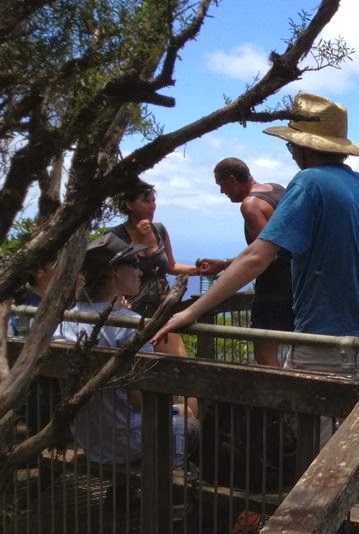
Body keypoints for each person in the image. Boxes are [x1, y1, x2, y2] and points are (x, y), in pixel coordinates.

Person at [157, 93, 359, 380]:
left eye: (290, 146)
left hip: (327, 342)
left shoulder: (309, 182)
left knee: (319, 422)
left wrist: (191, 312)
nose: (292, 153)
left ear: (303, 147)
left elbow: (257, 257)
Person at [54, 234, 194, 467]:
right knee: (186, 418)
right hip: (128, 441)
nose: (140, 272)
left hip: (87, 438)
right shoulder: (130, 326)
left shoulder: (66, 321)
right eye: (135, 264)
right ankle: (174, 480)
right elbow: (141, 400)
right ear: (114, 271)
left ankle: (125, 492)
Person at [197, 157, 294, 367]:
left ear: (231, 180)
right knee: (300, 348)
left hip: (275, 289)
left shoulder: (250, 205)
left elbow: (268, 255)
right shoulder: (277, 189)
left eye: (221, 185)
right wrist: (225, 264)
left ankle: (280, 398)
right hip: (300, 281)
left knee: (265, 353)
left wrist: (231, 273)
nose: (222, 192)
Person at [111, 181, 199, 356]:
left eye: (153, 201)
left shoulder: (159, 230)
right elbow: (111, 274)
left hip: (161, 311)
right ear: (129, 204)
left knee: (177, 363)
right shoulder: (114, 236)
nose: (152, 206)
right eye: (146, 201)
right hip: (129, 314)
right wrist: (135, 239)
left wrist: (200, 270)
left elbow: (171, 266)